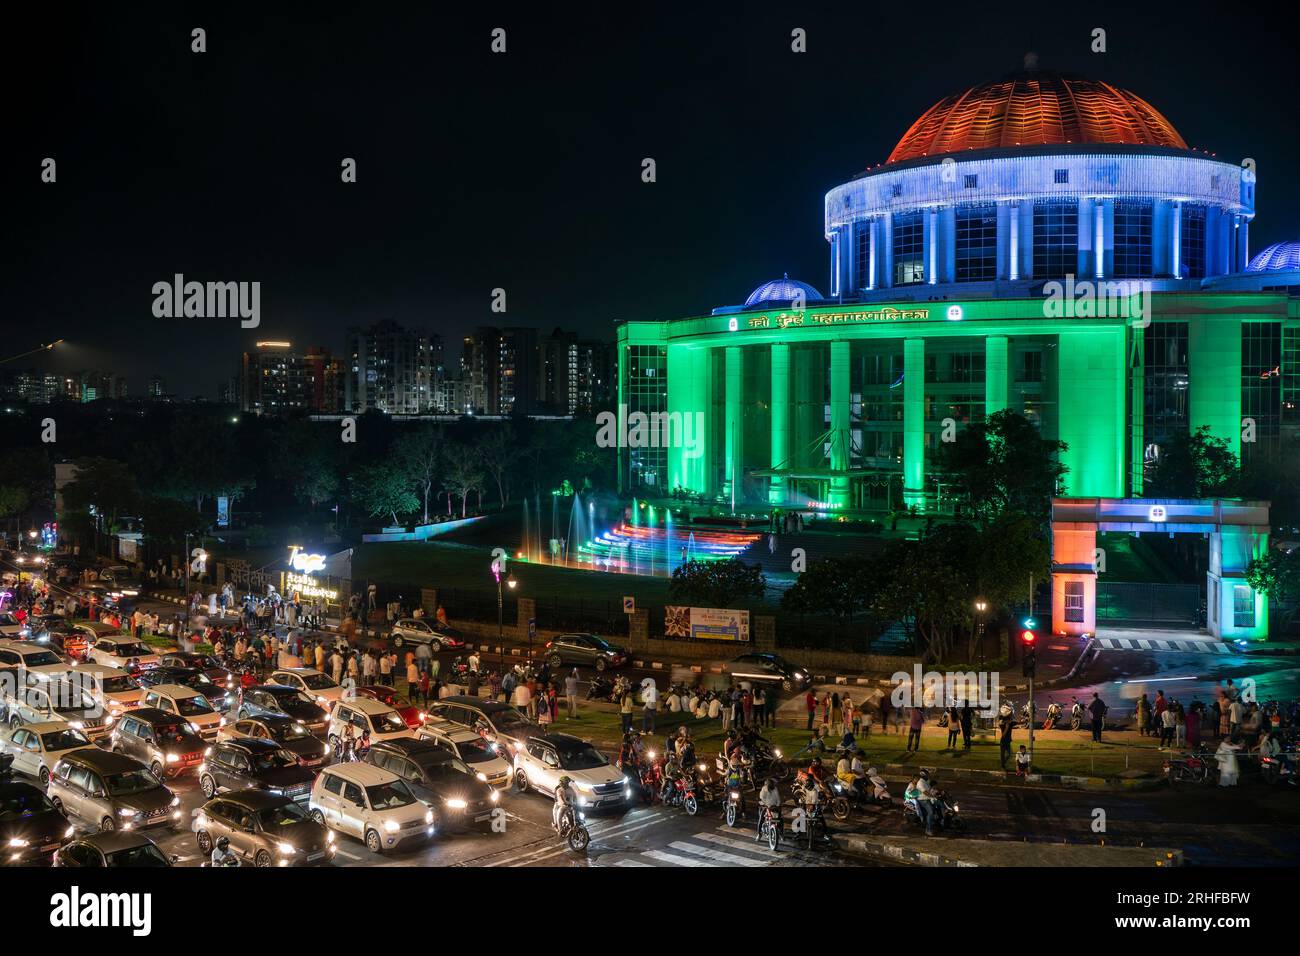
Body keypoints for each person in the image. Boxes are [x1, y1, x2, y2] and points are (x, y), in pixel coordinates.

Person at [997, 702, 1014, 768]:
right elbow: (1003, 735)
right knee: (1003, 754)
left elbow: (1017, 722)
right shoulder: (1003, 724)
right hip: (1003, 741)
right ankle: (1002, 764)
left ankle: (1003, 763)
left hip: (1008, 740)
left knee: (1009, 754)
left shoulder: (1010, 723)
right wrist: (1007, 727)